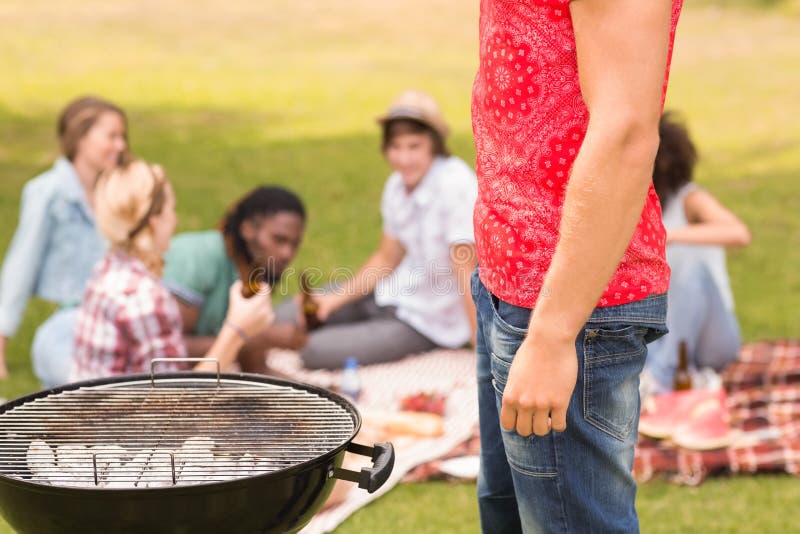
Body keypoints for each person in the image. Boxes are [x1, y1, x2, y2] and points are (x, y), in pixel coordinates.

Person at [471, 1, 682, 532]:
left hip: (567, 308)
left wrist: (551, 336)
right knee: (507, 516)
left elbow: (627, 134)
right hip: (508, 282)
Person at [282, 90, 478, 369]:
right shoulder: (397, 186)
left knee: (312, 351)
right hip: (389, 293)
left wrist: (480, 351)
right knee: (285, 316)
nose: (403, 158)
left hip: (425, 320)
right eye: (396, 147)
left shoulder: (455, 185)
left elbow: (466, 270)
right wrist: (333, 301)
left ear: (433, 145)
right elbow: (387, 258)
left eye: (414, 146)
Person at [71, 160, 274, 380]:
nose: (175, 220)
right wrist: (236, 330)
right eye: (172, 210)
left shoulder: (107, 268)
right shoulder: (145, 300)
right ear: (154, 222)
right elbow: (174, 405)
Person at [0, 96, 129, 386]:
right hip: (66, 320)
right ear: (80, 137)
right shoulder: (48, 192)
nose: (120, 145)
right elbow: (22, 263)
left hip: (111, 317)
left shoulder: (118, 193)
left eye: (123, 137)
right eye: (112, 136)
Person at [643, 112, 750, 394]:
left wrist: (669, 237)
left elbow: (738, 233)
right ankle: (661, 373)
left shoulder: (689, 199)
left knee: (691, 262)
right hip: (660, 334)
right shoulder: (637, 208)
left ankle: (662, 379)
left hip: (712, 338)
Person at [161, 186, 307, 374]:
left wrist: (315, 393)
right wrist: (260, 337)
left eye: (295, 244)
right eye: (279, 240)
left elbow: (255, 369)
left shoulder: (256, 272)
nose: (288, 254)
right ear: (247, 230)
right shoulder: (198, 258)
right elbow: (172, 353)